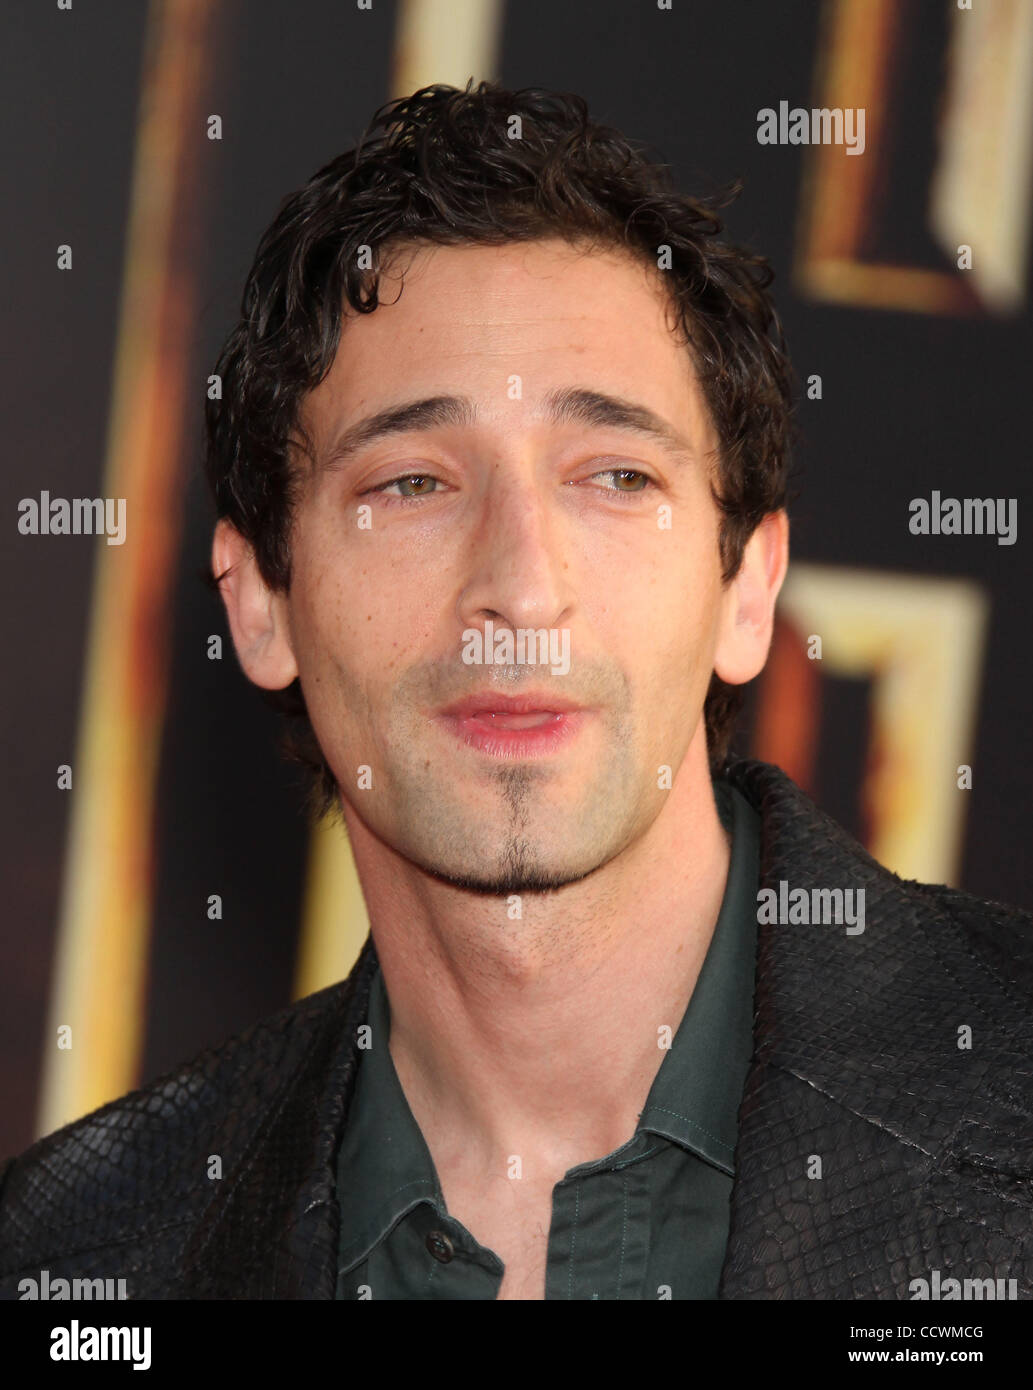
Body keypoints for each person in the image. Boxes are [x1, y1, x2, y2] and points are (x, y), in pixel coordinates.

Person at [2, 81, 1031, 1302]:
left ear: (748, 589)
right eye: (413, 483)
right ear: (261, 603)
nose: (519, 587)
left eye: (611, 474)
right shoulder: (70, 1265)